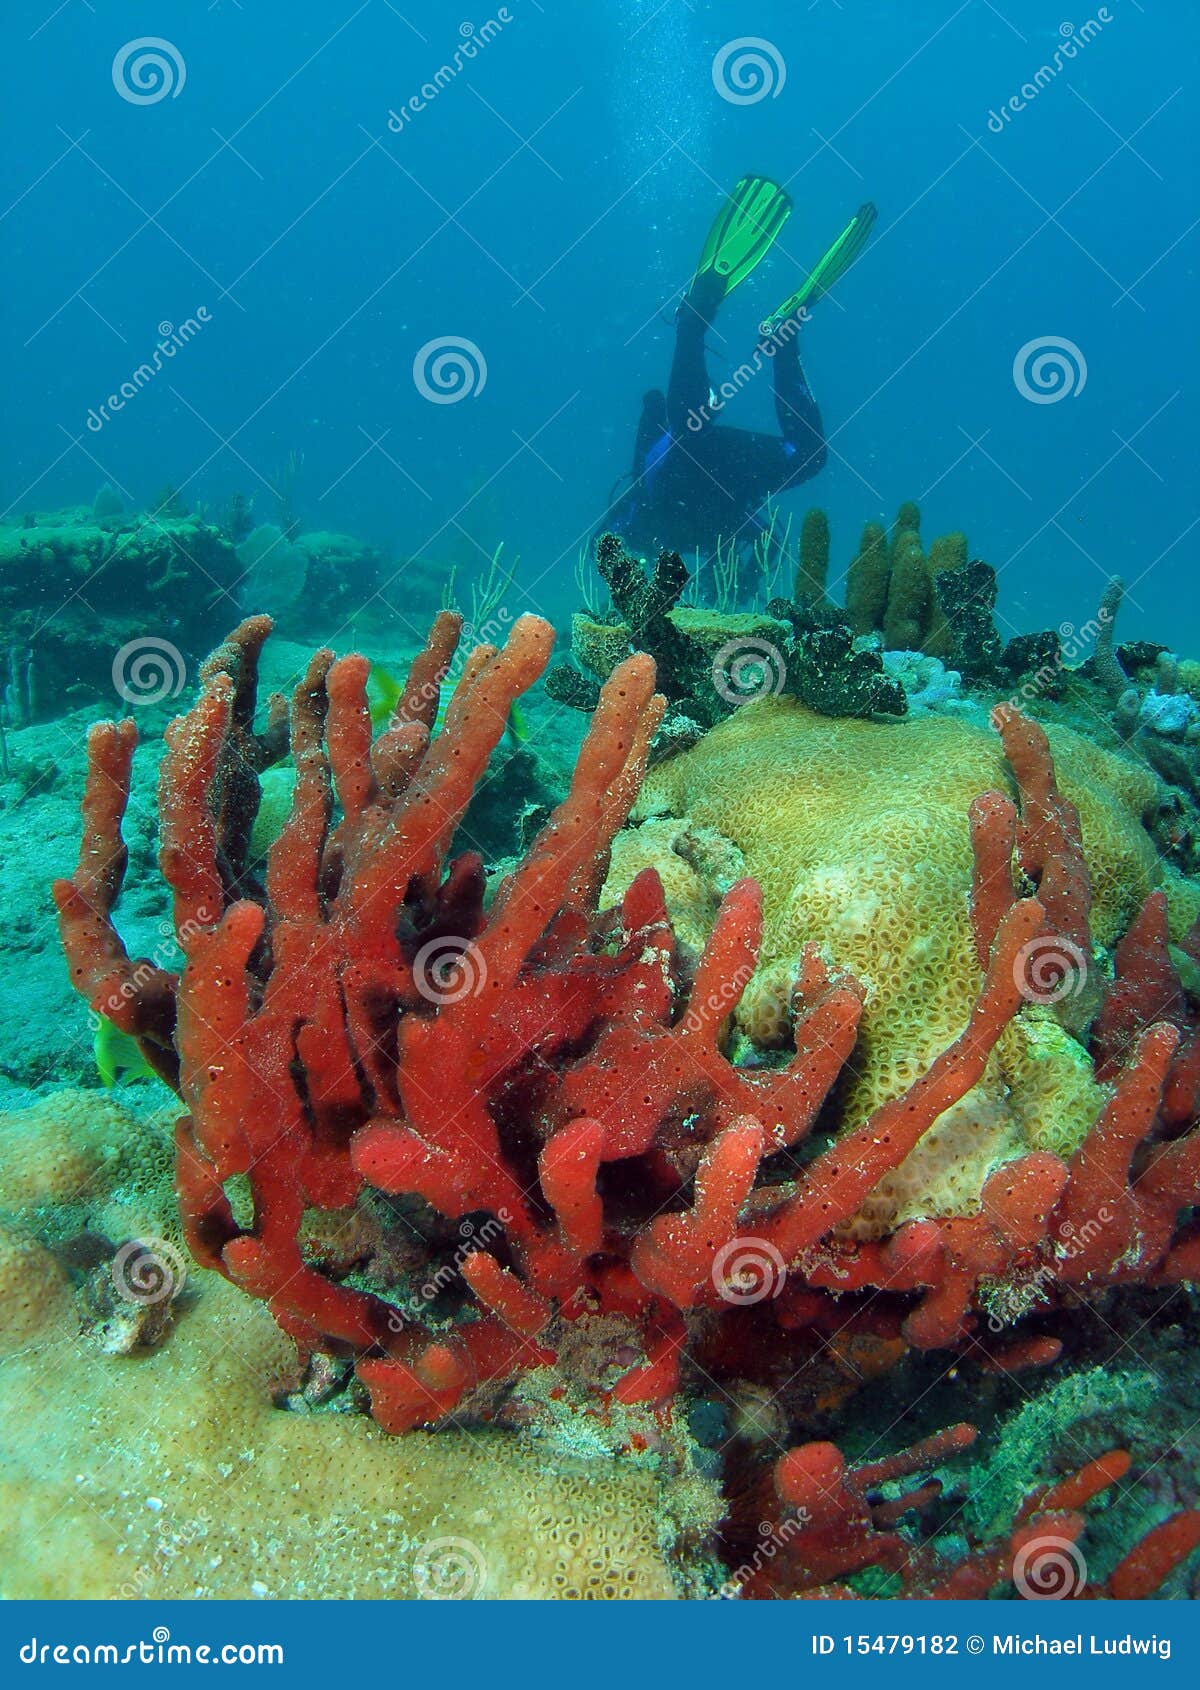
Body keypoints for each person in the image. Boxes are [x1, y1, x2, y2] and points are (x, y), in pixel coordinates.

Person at [602, 178, 875, 570]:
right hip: (709, 473)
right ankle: (781, 338)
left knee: (693, 436)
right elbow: (760, 534)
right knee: (806, 458)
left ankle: (694, 318)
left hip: (681, 466)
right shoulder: (696, 530)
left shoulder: (642, 520)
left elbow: (611, 538)